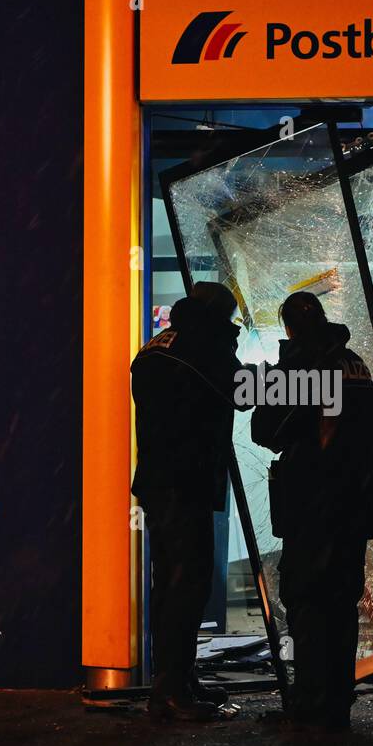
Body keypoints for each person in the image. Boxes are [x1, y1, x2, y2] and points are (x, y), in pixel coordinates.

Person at [251, 292, 373, 731]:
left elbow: (264, 431)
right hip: (353, 504)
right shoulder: (354, 363)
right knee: (342, 603)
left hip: (312, 505)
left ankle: (309, 706)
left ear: (288, 327)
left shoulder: (300, 366)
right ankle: (337, 704)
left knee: (306, 600)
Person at [131, 281, 245, 722]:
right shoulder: (202, 344)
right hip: (186, 480)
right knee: (187, 585)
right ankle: (170, 694)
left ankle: (176, 679)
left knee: (170, 583)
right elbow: (240, 391)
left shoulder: (157, 344)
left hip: (159, 479)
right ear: (217, 313)